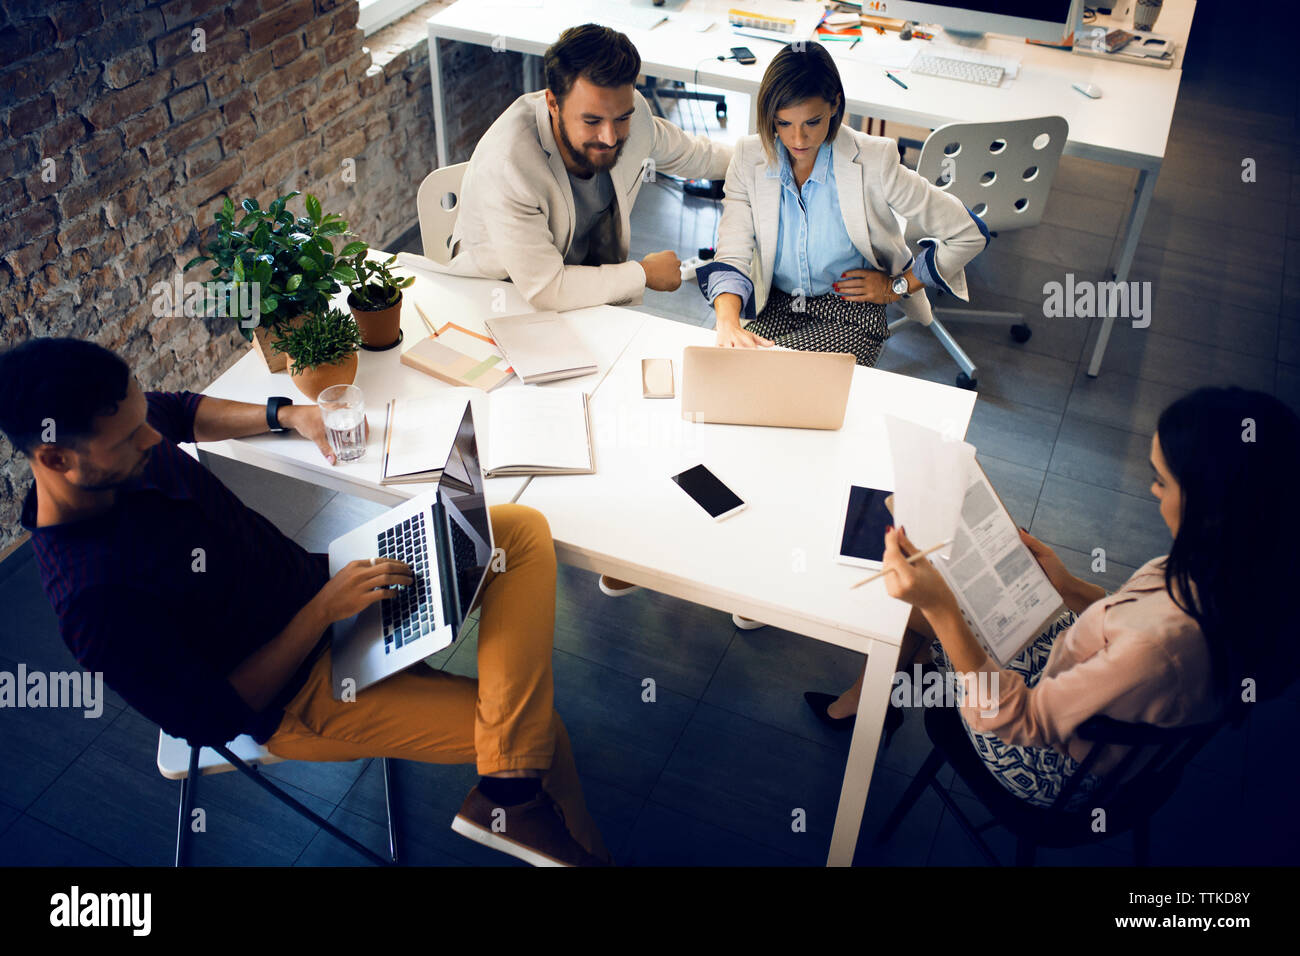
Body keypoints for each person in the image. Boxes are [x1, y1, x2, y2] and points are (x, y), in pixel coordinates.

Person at [0, 338, 610, 866]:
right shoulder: (92, 600)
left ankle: (507, 778)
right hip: (301, 697)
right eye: (133, 436)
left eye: (143, 418)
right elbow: (212, 720)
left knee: (516, 531)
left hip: (332, 585)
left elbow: (180, 412)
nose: (152, 438)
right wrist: (321, 611)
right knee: (539, 734)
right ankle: (526, 807)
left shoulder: (120, 438)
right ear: (54, 458)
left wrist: (290, 414)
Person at [812, 387, 1300, 809]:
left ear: (1211, 508)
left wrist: (942, 611)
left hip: (1045, 760)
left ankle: (872, 702)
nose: (1152, 491)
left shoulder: (1159, 650)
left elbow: (1021, 719)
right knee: (938, 601)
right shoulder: (1239, 568)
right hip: (1085, 681)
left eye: (1162, 480)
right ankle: (876, 697)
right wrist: (1069, 587)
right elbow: (1133, 618)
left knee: (919, 609)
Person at [700, 42, 989, 368]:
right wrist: (727, 323)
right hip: (776, 304)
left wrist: (897, 286)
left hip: (849, 310)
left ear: (835, 104)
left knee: (777, 373)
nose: (797, 139)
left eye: (812, 122)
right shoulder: (748, 156)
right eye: (783, 123)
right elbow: (733, 252)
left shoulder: (874, 161)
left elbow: (969, 232)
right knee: (736, 370)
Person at [441, 23, 732, 313]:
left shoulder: (632, 112)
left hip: (581, 293)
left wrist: (756, 155)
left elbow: (695, 154)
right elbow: (547, 288)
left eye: (622, 118)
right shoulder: (509, 164)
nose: (610, 138)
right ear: (553, 103)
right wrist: (643, 273)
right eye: (592, 121)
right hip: (498, 297)